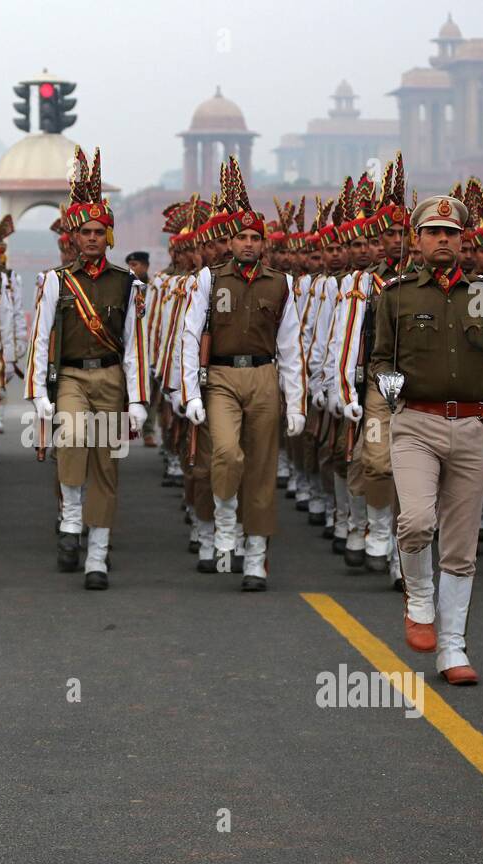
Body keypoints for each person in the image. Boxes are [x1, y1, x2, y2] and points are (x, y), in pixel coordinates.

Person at [370, 193, 483, 686]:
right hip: (416, 422)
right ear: (417, 240)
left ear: (462, 240)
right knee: (415, 520)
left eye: (451, 233)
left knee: (461, 545)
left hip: (474, 425)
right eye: (433, 232)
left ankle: (453, 646)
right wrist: (385, 383)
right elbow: (378, 358)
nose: (442, 240)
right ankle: (417, 597)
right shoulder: (396, 295)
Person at [180, 157, 305, 590]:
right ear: (229, 242)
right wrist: (190, 394)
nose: (249, 244)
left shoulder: (280, 283)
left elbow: (290, 346)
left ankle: (255, 555)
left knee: (262, 469)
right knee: (227, 454)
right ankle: (225, 521)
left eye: (256, 237)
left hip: (264, 377)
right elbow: (190, 333)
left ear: (263, 243)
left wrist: (297, 399)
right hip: (221, 379)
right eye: (242, 237)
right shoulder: (209, 280)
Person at [26, 147, 147, 589]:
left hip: (112, 376)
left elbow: (135, 345)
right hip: (73, 376)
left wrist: (137, 400)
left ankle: (97, 553)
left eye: (99, 231)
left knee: (107, 465)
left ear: (108, 235)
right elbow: (41, 339)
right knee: (74, 436)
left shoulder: (126, 282)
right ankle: (71, 518)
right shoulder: (55, 281)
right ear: (73, 237)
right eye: (85, 231)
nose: (93, 238)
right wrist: (39, 393)